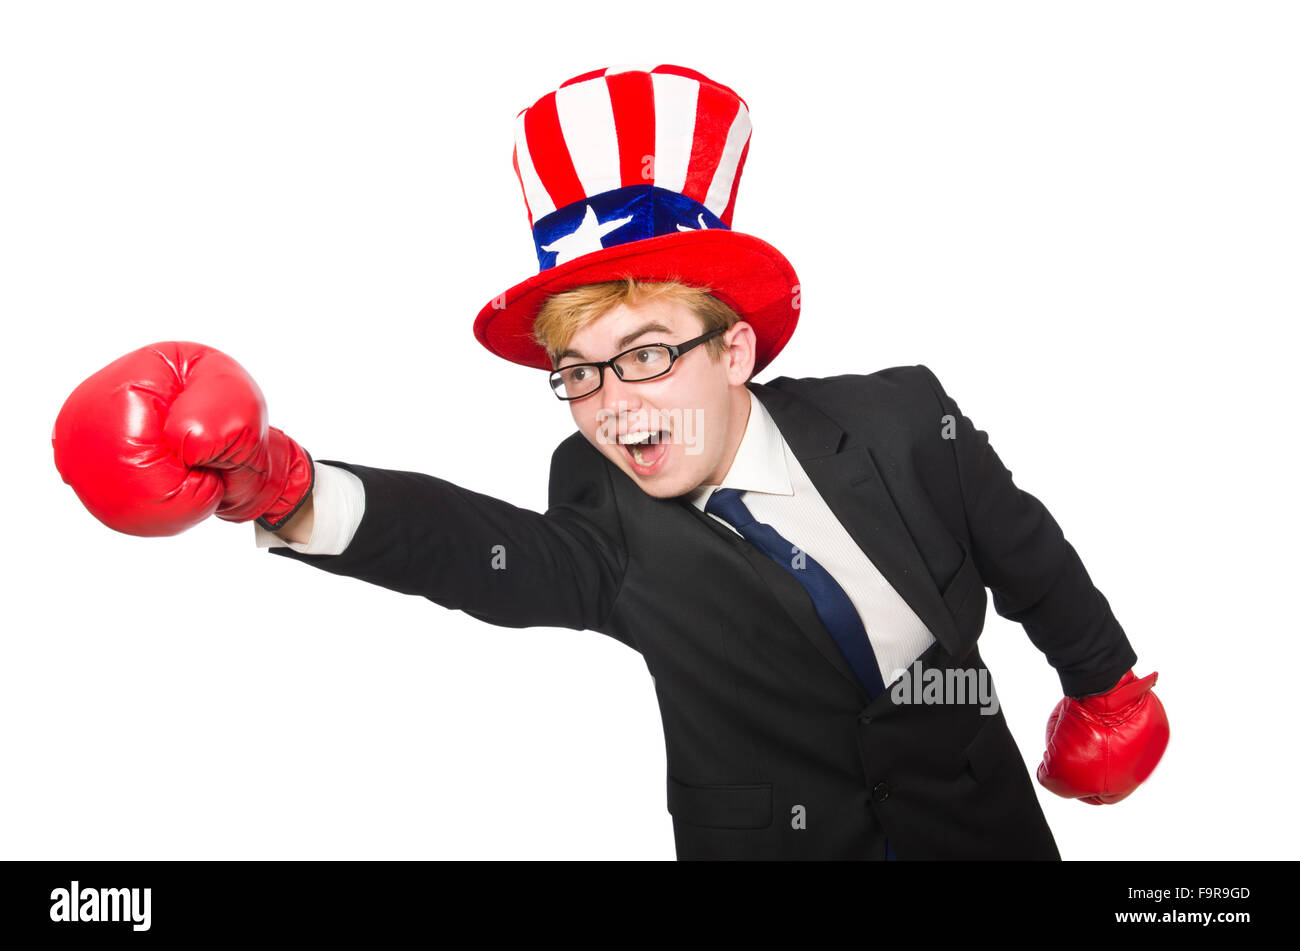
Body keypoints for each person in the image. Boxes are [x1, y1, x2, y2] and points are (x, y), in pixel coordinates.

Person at [53, 64, 1169, 860]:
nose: (612, 406)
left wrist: (1104, 687)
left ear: (734, 349)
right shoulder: (602, 505)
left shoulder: (900, 419)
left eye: (643, 355)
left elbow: (1025, 556)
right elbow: (484, 554)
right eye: (578, 372)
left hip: (980, 830)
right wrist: (288, 486)